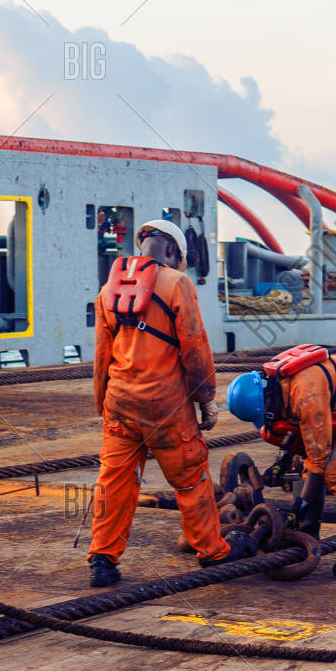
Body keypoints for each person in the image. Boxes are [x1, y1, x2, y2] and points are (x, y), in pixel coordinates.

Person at [86, 219, 256, 587]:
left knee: (113, 484)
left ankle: (103, 560)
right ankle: (211, 550)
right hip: (167, 408)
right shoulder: (178, 283)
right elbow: (195, 346)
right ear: (174, 252)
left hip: (120, 405)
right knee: (191, 480)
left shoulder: (107, 291)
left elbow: (102, 355)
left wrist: (102, 403)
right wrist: (206, 400)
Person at [227, 346, 336, 577]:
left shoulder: (306, 396)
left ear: (267, 399)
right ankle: (306, 533)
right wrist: (286, 458)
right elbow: (306, 439)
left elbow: (318, 460)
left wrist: (299, 507)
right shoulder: (277, 384)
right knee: (309, 464)